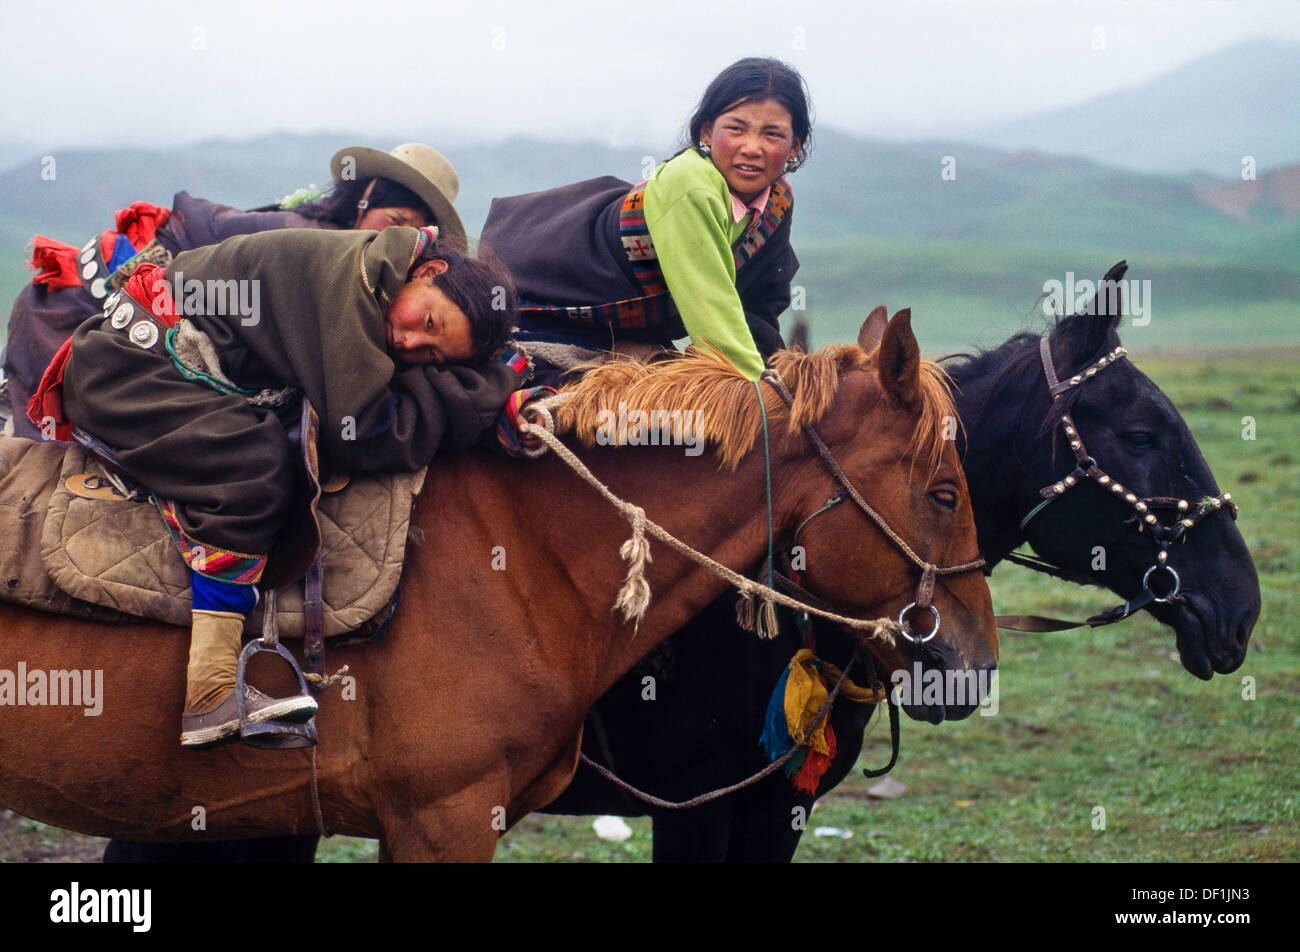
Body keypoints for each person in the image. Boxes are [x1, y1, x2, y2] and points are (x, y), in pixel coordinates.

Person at [35, 224, 529, 748]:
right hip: (128, 369)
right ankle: (210, 692)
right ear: (430, 271)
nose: (411, 342)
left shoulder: (373, 274)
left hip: (162, 367)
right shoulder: (353, 283)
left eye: (432, 355)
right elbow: (362, 433)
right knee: (252, 465)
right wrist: (497, 382)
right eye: (428, 321)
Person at [5, 143, 465, 437]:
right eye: (396, 222)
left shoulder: (344, 254)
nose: (398, 237)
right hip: (86, 306)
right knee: (49, 447)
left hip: (169, 306)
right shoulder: (309, 237)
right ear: (365, 198)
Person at [480, 57, 811, 384]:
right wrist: (763, 388)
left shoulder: (777, 199)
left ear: (794, 145)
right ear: (707, 131)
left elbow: (762, 301)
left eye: (772, 135)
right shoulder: (690, 183)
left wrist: (773, 364)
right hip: (554, 294)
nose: (752, 147)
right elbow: (713, 316)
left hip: (635, 327)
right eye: (736, 129)